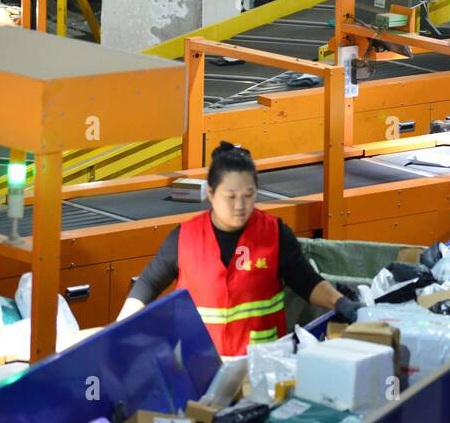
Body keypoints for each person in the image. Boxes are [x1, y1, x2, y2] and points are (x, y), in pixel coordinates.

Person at [116, 142, 359, 355]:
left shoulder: (274, 234)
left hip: (259, 366)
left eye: (248, 195)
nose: (240, 206)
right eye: (230, 197)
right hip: (200, 364)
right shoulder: (184, 238)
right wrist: (117, 330)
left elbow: (306, 281)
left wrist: (340, 303)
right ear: (210, 194)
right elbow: (148, 284)